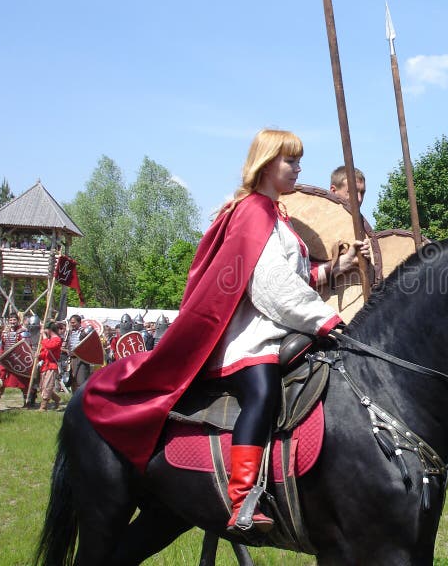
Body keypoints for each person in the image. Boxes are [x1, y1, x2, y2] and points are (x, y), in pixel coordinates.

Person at [82, 129, 365, 534]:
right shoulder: (253, 212)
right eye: (291, 161)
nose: (299, 169)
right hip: (248, 339)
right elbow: (269, 287)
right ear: (268, 163)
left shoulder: (273, 215)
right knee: (263, 392)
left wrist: (334, 270)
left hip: (274, 330)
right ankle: (242, 498)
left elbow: (292, 278)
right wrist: (328, 321)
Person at [37, 321, 62, 412]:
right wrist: (39, 356)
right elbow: (44, 352)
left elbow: (49, 346)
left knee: (47, 386)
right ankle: (57, 399)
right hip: (45, 365)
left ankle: (43, 407)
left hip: (52, 365)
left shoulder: (57, 339)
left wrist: (43, 336)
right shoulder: (47, 339)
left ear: (49, 329)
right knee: (42, 386)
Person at [64, 314, 91, 391]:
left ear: (79, 322)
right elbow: (66, 345)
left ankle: (82, 399)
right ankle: (75, 399)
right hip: (71, 358)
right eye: (71, 322)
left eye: (74, 322)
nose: (72, 324)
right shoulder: (69, 332)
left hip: (81, 359)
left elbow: (89, 346)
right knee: (72, 380)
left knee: (81, 380)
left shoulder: (84, 332)